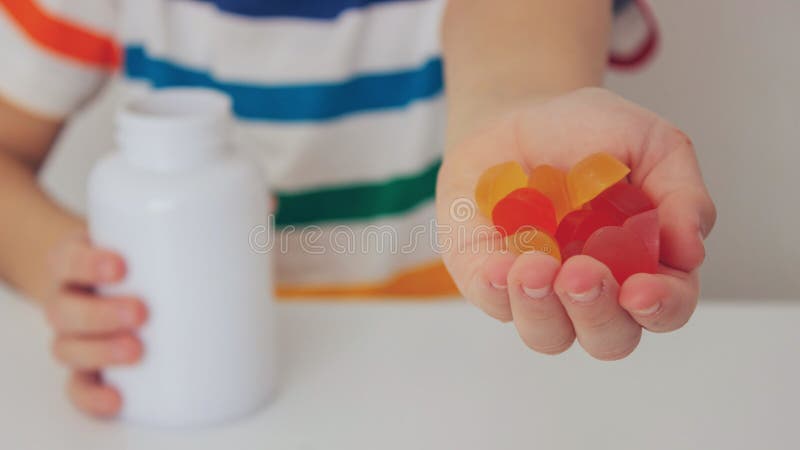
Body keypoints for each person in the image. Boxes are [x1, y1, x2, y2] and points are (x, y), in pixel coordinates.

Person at [0, 0, 715, 417]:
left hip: (462, 375)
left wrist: (521, 105)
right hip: (212, 387)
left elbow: (521, 23)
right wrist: (56, 265)